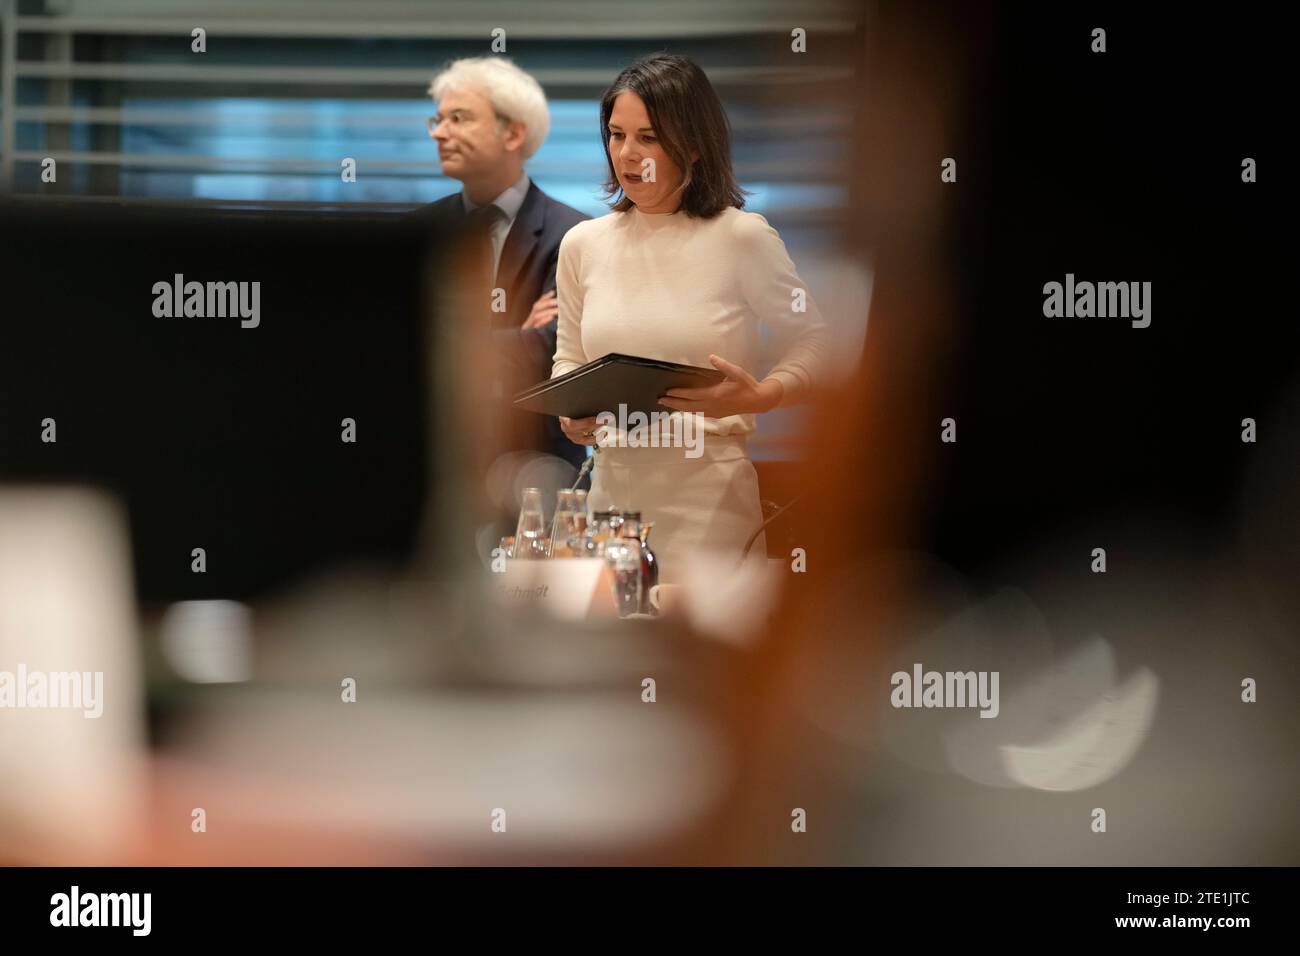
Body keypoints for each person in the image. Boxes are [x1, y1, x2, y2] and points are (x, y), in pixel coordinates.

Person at [551, 54, 830, 580]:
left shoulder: (741, 237)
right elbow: (568, 359)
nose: (627, 155)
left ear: (694, 144)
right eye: (616, 135)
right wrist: (571, 412)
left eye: (649, 138)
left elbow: (816, 342)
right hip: (611, 504)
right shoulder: (582, 244)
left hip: (710, 502)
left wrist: (764, 395)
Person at [422, 56, 589, 473]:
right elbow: (402, 348)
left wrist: (461, 342)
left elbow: (557, 346)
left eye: (459, 119)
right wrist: (517, 334)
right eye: (438, 120)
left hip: (542, 468)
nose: (440, 133)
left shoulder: (575, 233)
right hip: (435, 465)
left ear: (513, 132)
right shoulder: (418, 233)